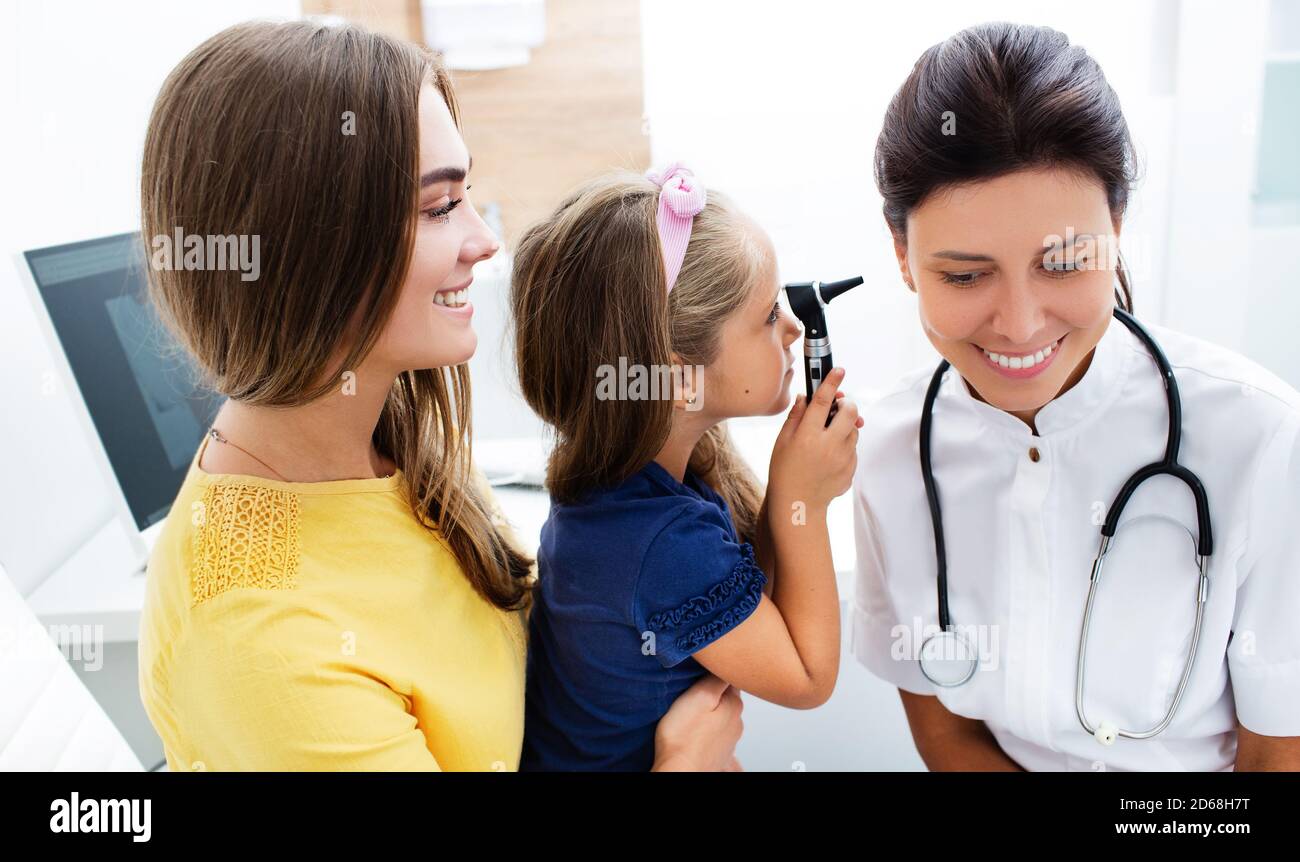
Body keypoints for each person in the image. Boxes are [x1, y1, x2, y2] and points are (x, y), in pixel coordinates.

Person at [136, 20, 741, 771]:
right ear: (310, 250)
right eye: (437, 207)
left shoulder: (395, 437)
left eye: (465, 194)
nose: (484, 242)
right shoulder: (256, 641)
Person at [852, 21, 1300, 771]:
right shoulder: (893, 450)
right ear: (902, 254)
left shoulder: (1260, 438)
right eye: (965, 276)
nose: (1021, 324)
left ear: (1117, 228)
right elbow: (947, 735)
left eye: (1064, 264)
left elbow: (1276, 757)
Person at [510, 165, 861, 770]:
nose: (795, 328)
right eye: (767, 316)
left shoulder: (625, 483)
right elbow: (807, 676)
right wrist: (804, 501)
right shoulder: (661, 543)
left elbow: (753, 602)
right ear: (678, 378)